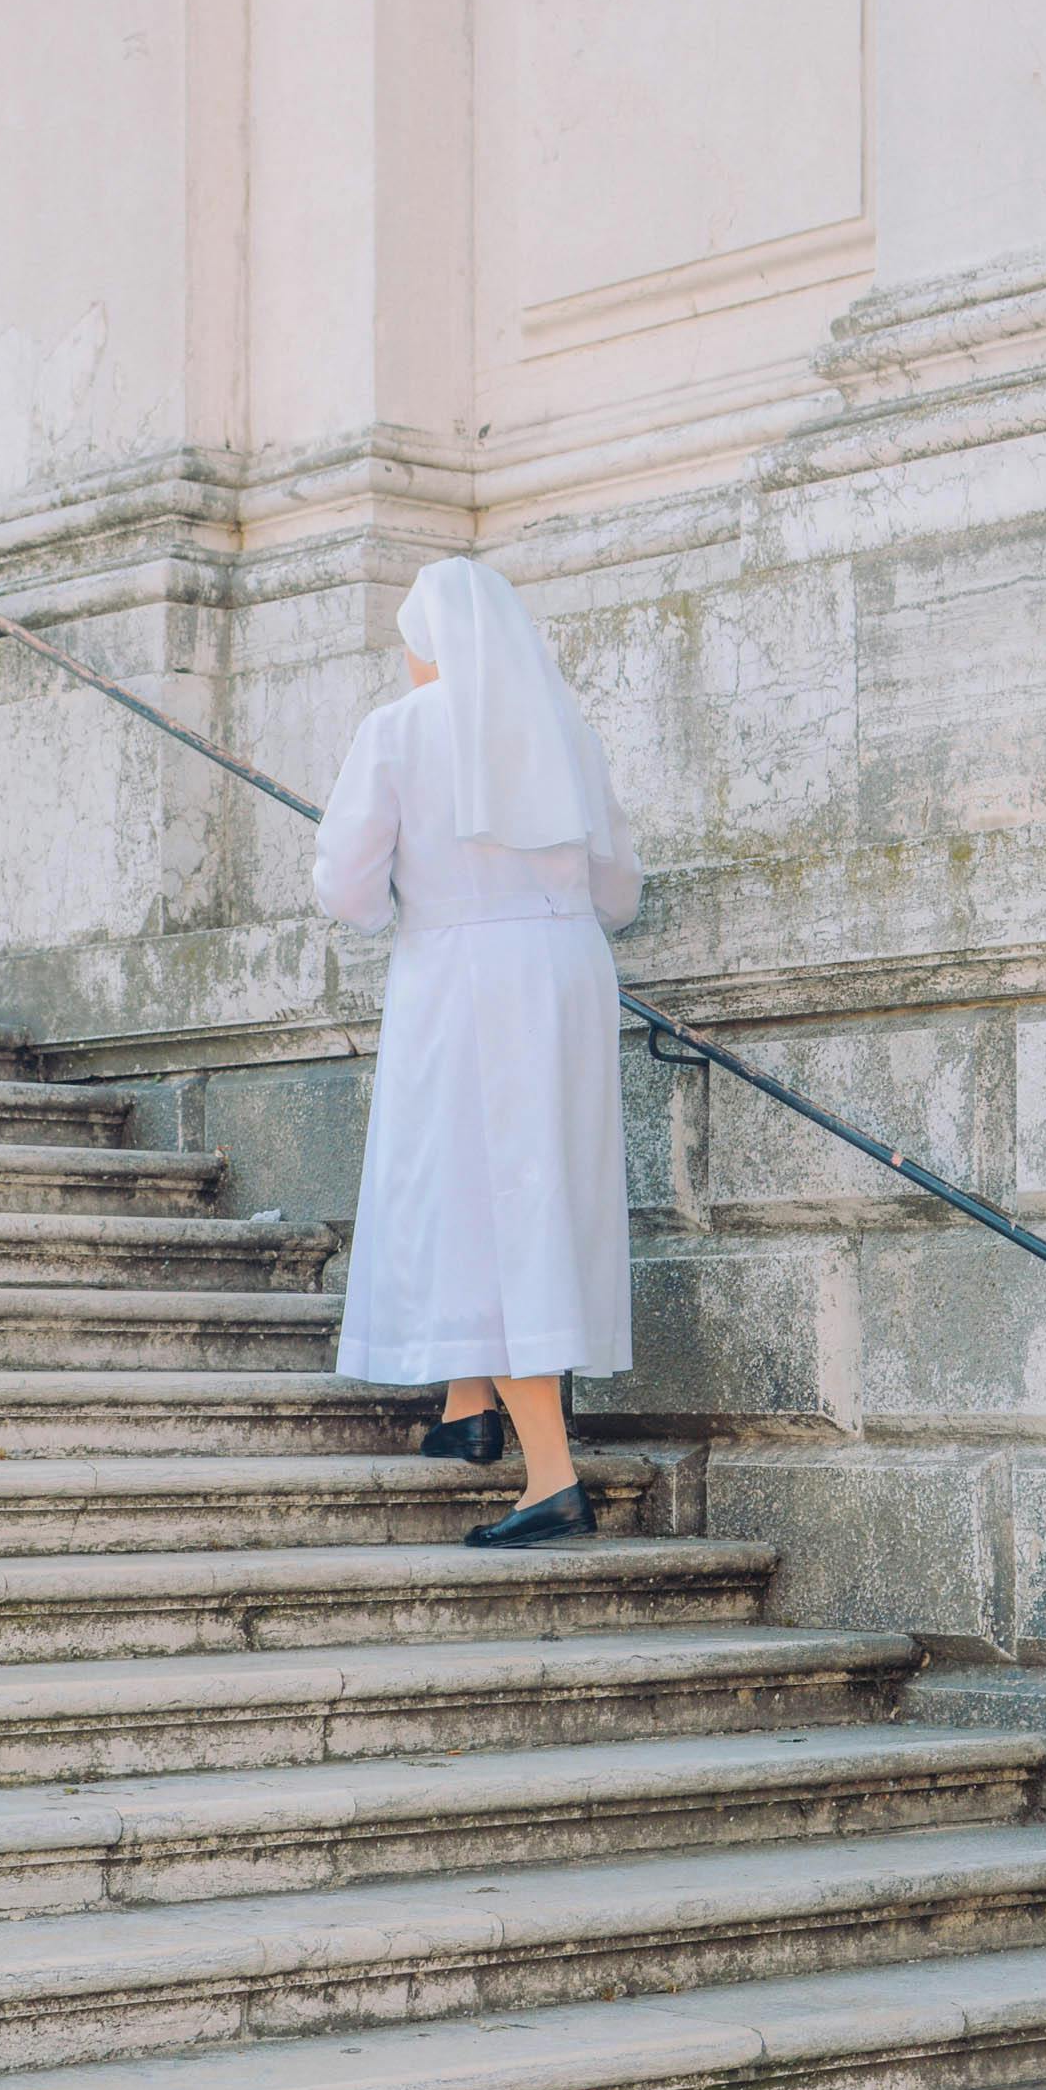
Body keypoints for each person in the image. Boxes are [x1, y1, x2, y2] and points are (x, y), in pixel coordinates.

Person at [312, 557, 642, 1546]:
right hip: (566, 971)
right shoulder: (565, 731)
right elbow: (618, 888)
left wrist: (414, 902)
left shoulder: (399, 730)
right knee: (523, 1190)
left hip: (461, 978)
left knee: (480, 1199)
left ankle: (550, 1476)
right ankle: (467, 1410)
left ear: (430, 646)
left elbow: (345, 888)